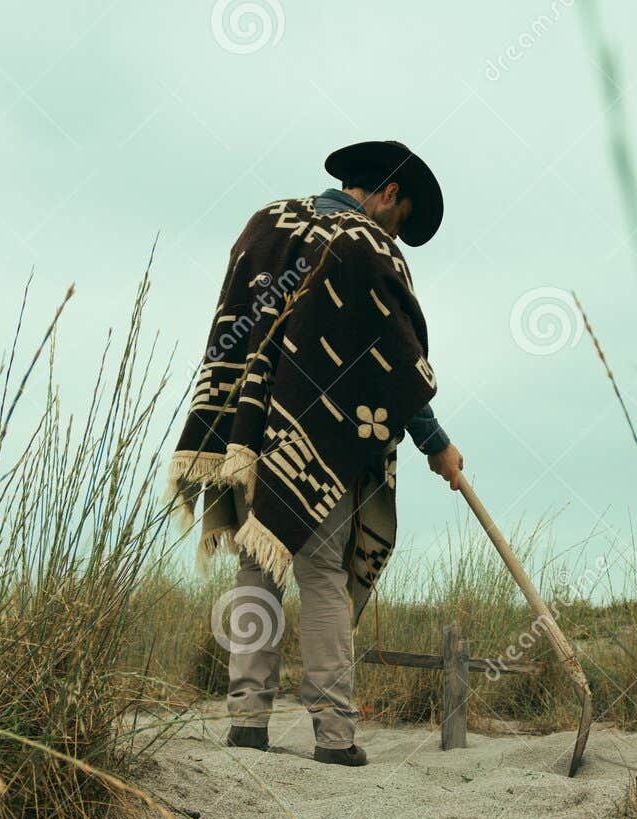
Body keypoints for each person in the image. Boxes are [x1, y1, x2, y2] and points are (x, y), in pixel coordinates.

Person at [168, 140, 461, 767]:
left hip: (242, 435)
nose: (397, 232)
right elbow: (396, 365)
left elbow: (230, 327)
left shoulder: (266, 224)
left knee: (258, 567)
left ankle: (247, 722)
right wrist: (436, 444)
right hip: (320, 439)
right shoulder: (366, 246)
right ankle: (334, 735)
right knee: (322, 573)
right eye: (402, 217)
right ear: (387, 194)